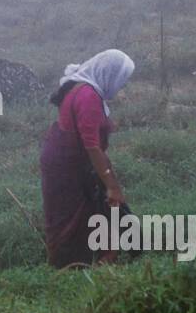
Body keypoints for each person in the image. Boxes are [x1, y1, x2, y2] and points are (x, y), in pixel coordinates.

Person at [40, 49, 136, 268]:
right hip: (67, 164)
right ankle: (73, 264)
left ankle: (106, 254)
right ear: (109, 73)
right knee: (72, 215)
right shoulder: (88, 96)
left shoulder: (82, 88)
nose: (121, 86)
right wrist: (112, 185)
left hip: (69, 158)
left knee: (95, 207)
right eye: (121, 80)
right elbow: (91, 146)